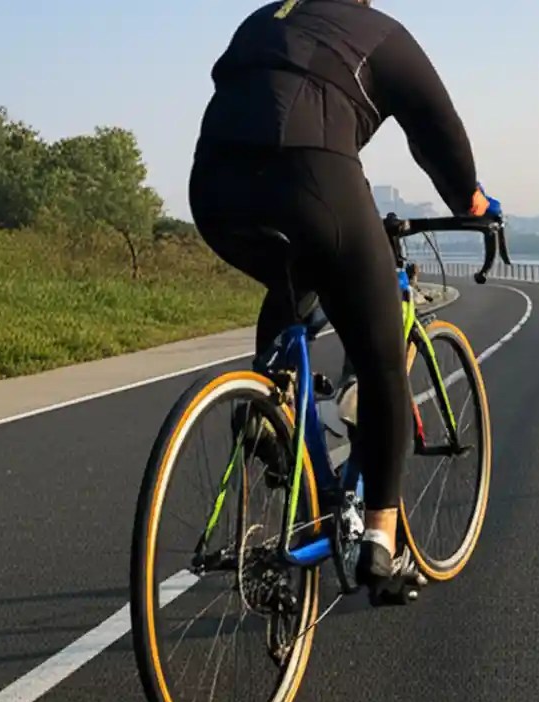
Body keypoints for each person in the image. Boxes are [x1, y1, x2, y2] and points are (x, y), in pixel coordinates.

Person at [187, 0, 498, 604]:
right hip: (313, 181)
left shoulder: (266, 17)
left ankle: (267, 408)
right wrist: (475, 203)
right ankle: (380, 542)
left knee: (293, 274)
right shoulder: (380, 33)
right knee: (382, 364)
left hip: (215, 192)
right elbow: (439, 135)